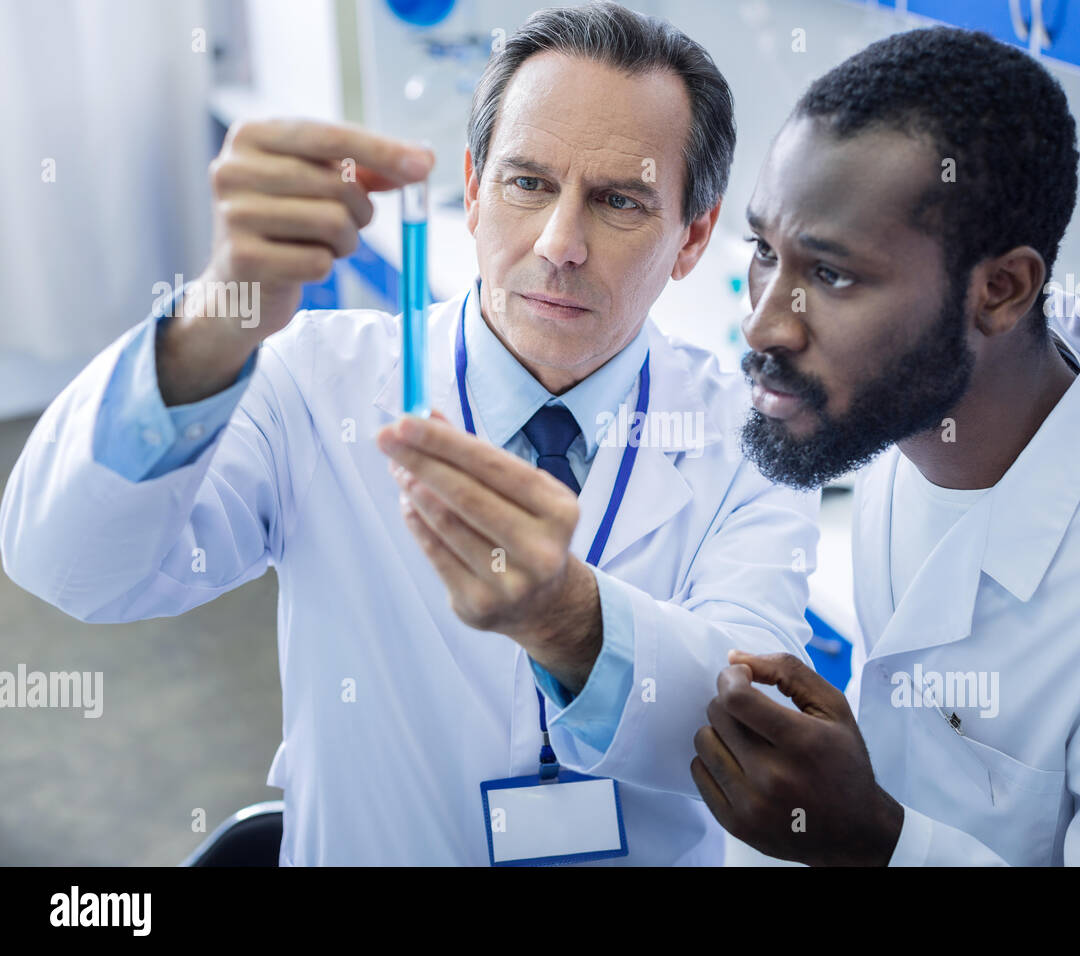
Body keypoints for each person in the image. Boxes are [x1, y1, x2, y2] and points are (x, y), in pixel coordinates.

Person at [0, 2, 818, 865]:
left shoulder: (755, 444)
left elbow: (753, 742)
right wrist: (217, 314)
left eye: (618, 201)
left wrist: (569, 620)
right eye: (528, 182)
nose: (559, 243)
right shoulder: (317, 382)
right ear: (471, 188)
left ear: (691, 237)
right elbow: (71, 567)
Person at [691, 26, 1080, 865]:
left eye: (831, 275)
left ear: (1001, 292)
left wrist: (877, 840)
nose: (764, 320)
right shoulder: (907, 430)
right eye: (765, 251)